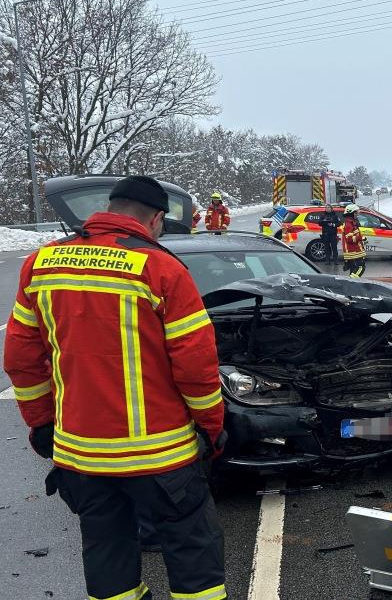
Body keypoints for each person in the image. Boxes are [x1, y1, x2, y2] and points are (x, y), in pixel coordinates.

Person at [4, 175, 228, 600]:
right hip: (161, 454)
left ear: (110, 207)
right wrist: (211, 428)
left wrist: (42, 425)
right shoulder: (161, 268)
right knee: (193, 557)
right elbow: (196, 369)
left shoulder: (41, 264)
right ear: (157, 219)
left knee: (107, 560)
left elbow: (21, 361)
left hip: (82, 456)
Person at [342, 203, 367, 277]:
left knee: (354, 269)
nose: (357, 214)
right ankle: (352, 283)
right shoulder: (349, 224)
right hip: (354, 252)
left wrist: (362, 238)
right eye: (356, 213)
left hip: (355, 251)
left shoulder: (352, 223)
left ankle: (351, 283)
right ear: (351, 213)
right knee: (360, 268)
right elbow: (349, 239)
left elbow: (354, 235)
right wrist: (359, 237)